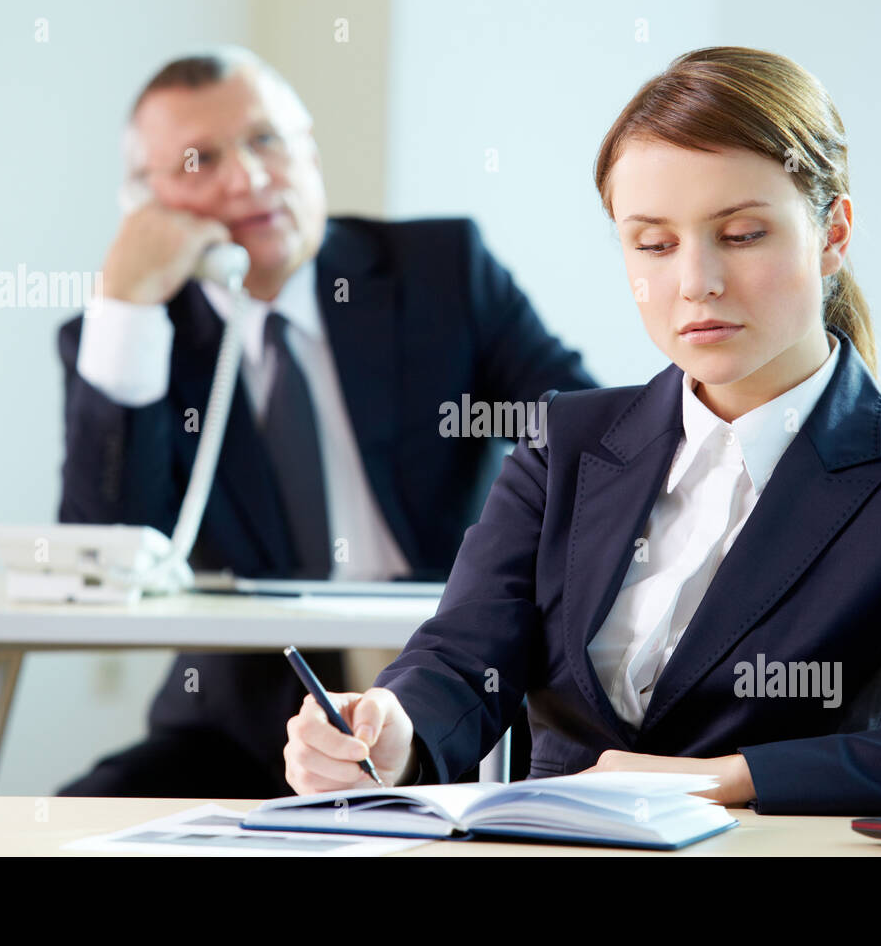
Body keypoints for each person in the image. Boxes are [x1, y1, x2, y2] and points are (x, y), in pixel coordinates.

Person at [283, 46, 881, 815]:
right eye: (653, 243)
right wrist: (392, 730)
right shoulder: (566, 444)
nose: (695, 282)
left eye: (741, 235)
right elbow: (461, 660)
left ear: (833, 234)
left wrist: (736, 778)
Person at [55, 46, 596, 798]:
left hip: (464, 699)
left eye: (265, 140)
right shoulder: (133, 339)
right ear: (145, 202)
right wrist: (127, 305)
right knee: (72, 822)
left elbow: (588, 450)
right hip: (246, 730)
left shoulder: (441, 269)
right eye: (198, 158)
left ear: (308, 148)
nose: (245, 177)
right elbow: (104, 560)